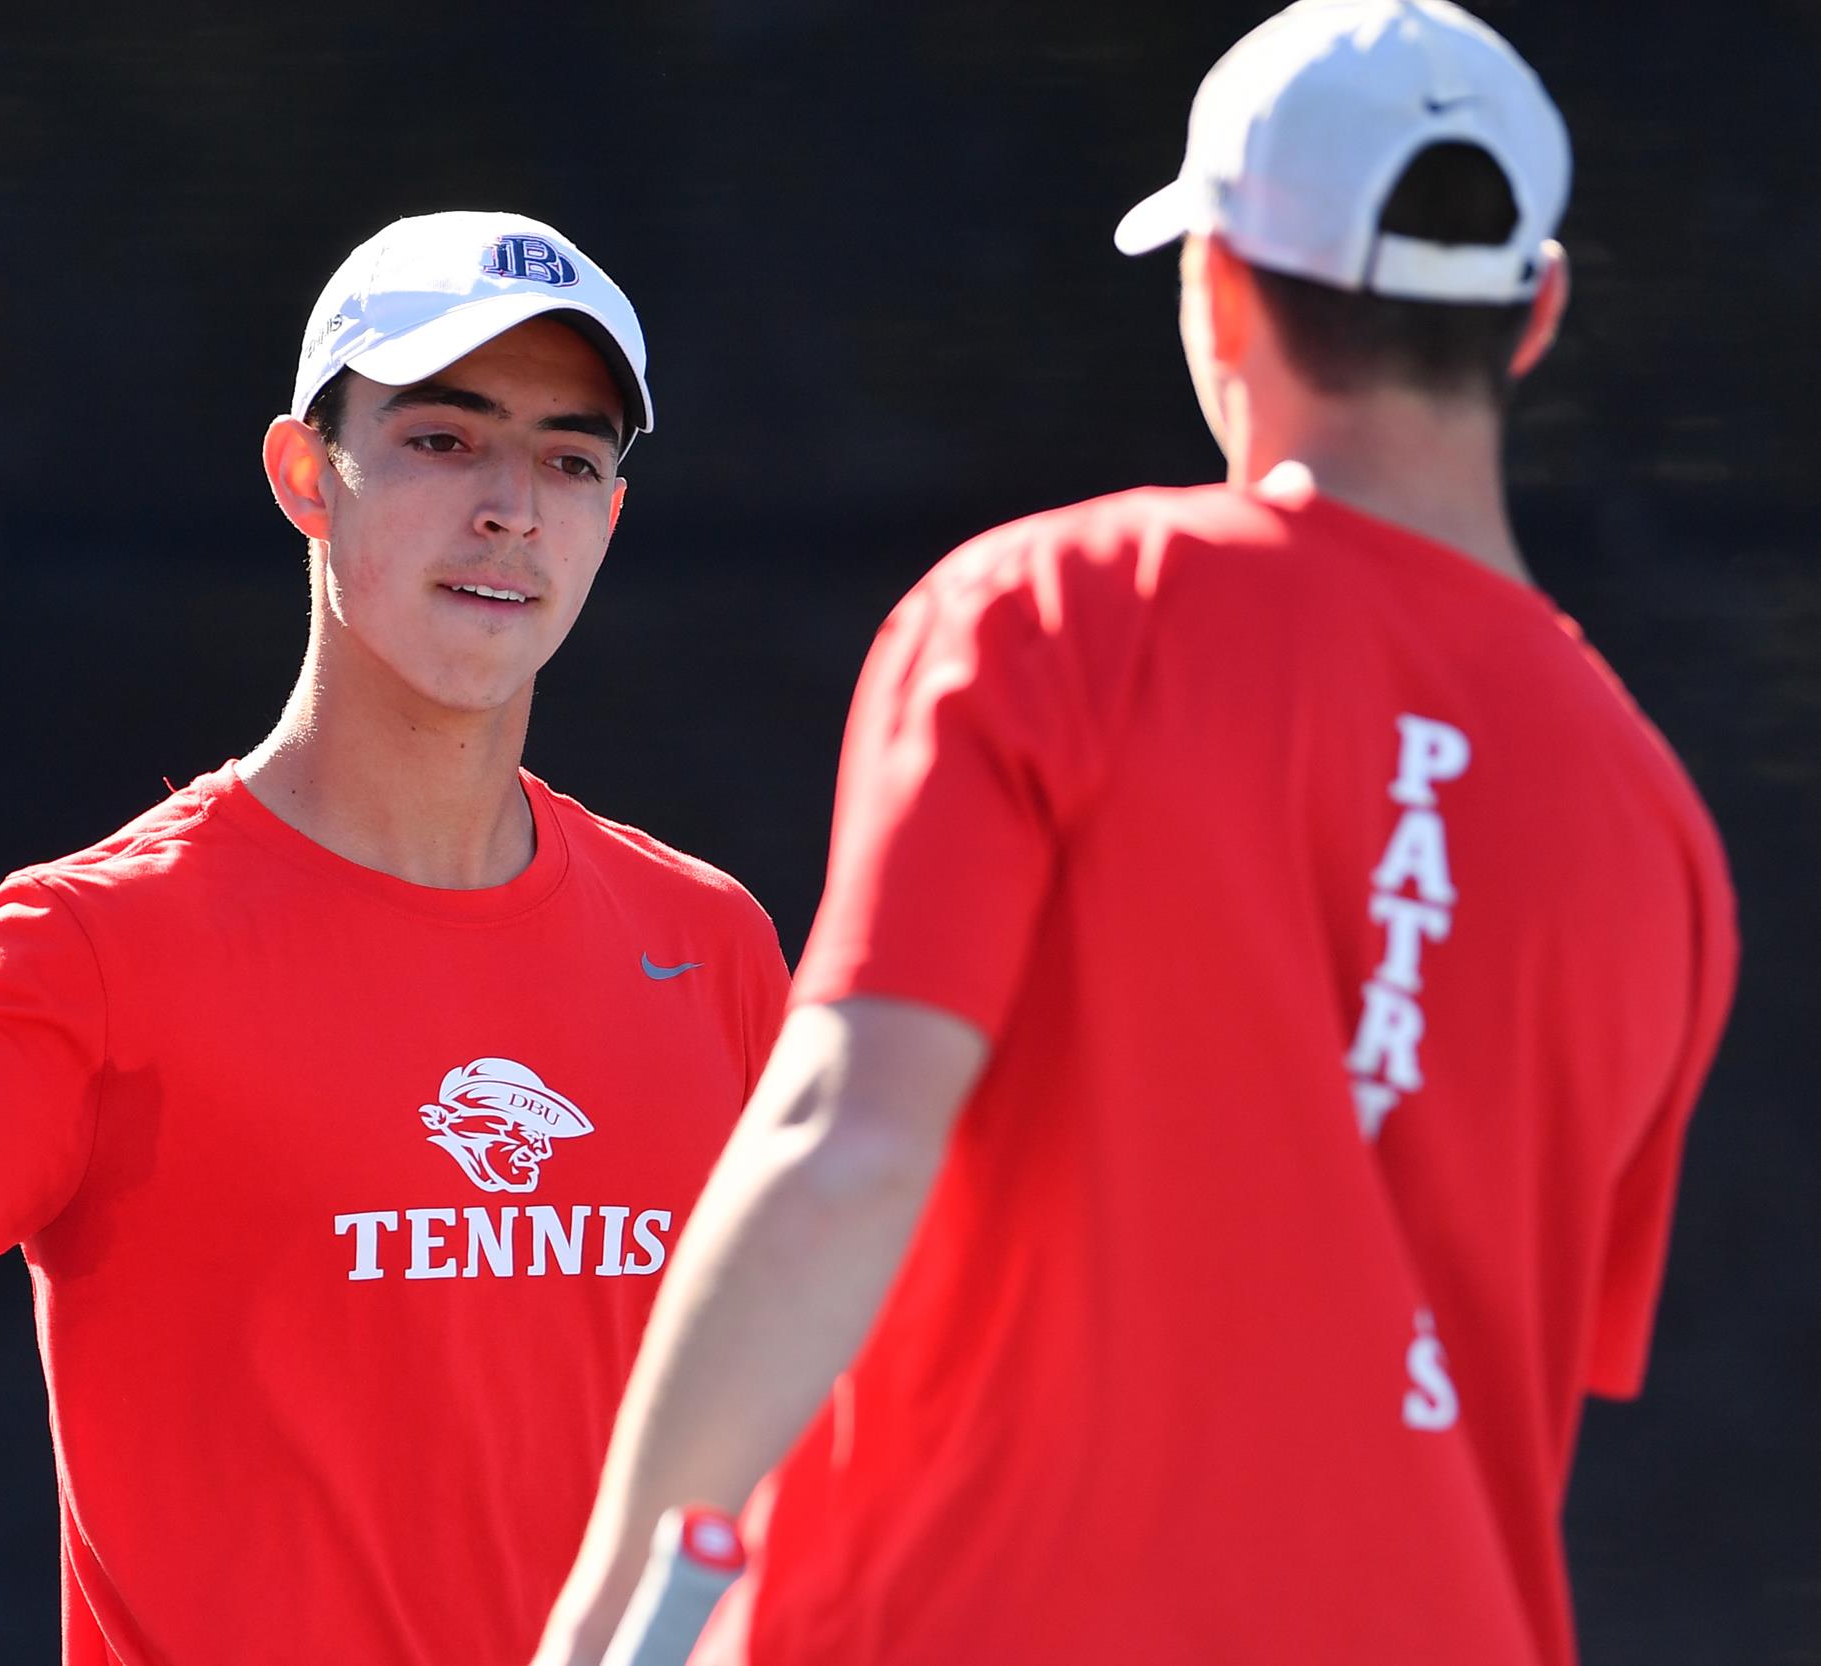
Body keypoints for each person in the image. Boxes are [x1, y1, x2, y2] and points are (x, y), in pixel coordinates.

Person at [535, 5, 1737, 1664]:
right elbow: (1474, 1366)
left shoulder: (1053, 617)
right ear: (1535, 315)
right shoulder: (1661, 830)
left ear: (1218, 282)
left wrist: (611, 1607)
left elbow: (845, 1141)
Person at [0, 209, 791, 1664]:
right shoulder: (95, 943)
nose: (513, 503)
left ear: (609, 523)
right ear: (306, 476)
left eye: (570, 459)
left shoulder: (709, 945)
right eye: (446, 438)